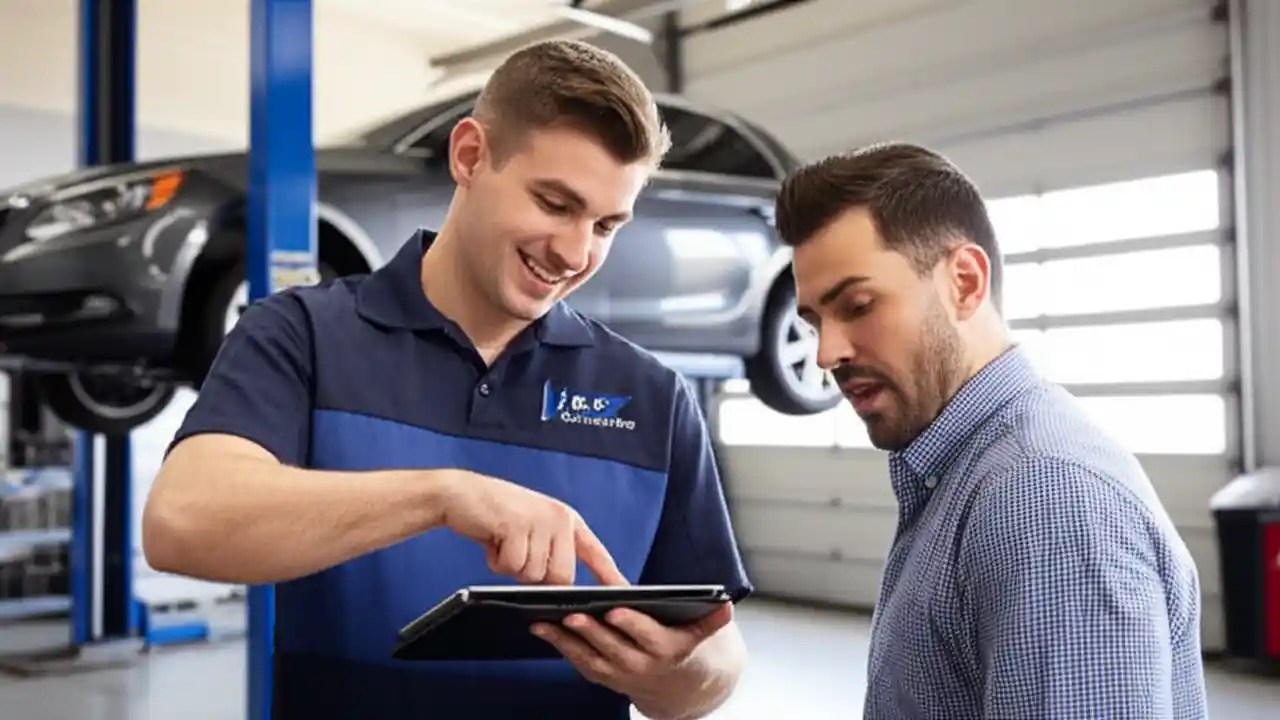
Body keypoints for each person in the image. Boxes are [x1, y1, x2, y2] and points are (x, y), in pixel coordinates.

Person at [142, 39, 751, 720]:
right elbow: (180, 523)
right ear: (470, 156)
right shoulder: (302, 336)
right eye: (554, 203)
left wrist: (674, 676)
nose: (576, 253)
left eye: (606, 224)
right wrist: (442, 495)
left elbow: (720, 655)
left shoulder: (654, 399)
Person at [776, 142, 1208, 719]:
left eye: (857, 305)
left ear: (964, 282)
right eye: (813, 321)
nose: (827, 352)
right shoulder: (964, 473)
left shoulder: (1043, 498)